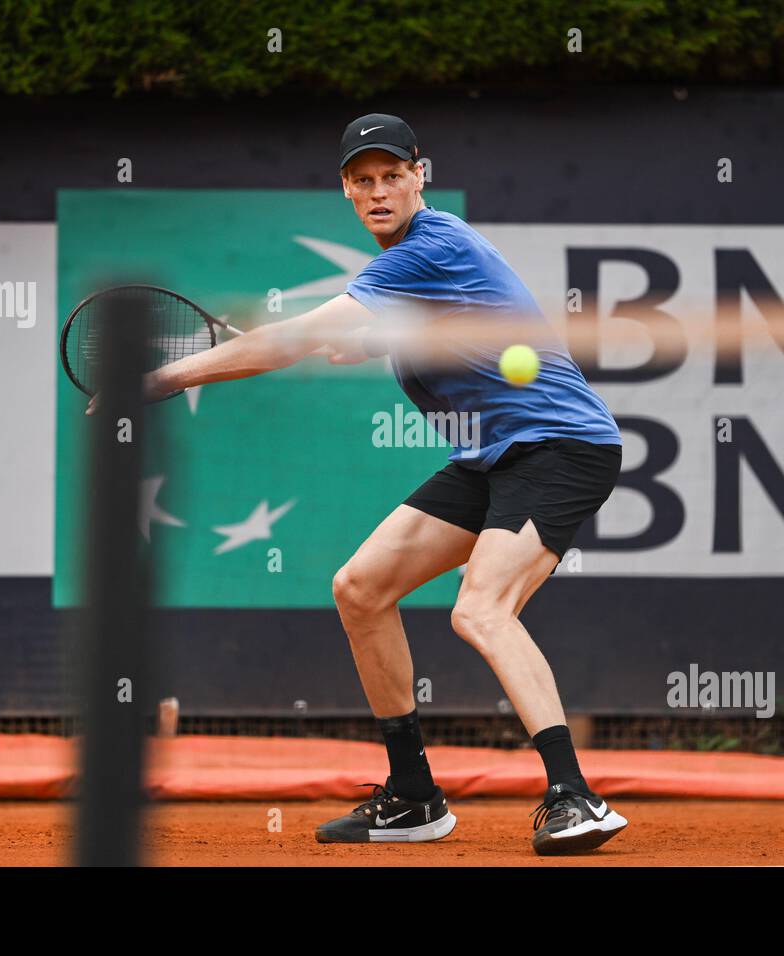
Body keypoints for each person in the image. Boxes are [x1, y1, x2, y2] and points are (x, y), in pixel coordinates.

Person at [114, 113, 627, 855]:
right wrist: (355, 341)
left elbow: (290, 339)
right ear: (346, 191)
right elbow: (386, 328)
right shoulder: (414, 265)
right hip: (491, 457)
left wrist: (167, 376)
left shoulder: (433, 242)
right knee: (360, 588)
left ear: (421, 174)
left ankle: (574, 796)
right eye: (364, 180)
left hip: (560, 448)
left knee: (480, 609)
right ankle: (415, 796)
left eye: (393, 175)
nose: (379, 190)